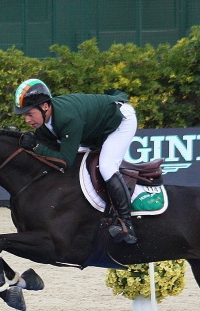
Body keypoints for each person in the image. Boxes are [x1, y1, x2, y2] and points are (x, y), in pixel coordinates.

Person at [12, 79, 139, 244]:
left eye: (29, 114)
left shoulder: (67, 118)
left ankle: (126, 223)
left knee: (107, 166)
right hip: (94, 126)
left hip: (121, 120)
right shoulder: (46, 118)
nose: (27, 120)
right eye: (24, 115)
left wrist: (36, 147)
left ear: (45, 107)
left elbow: (65, 161)